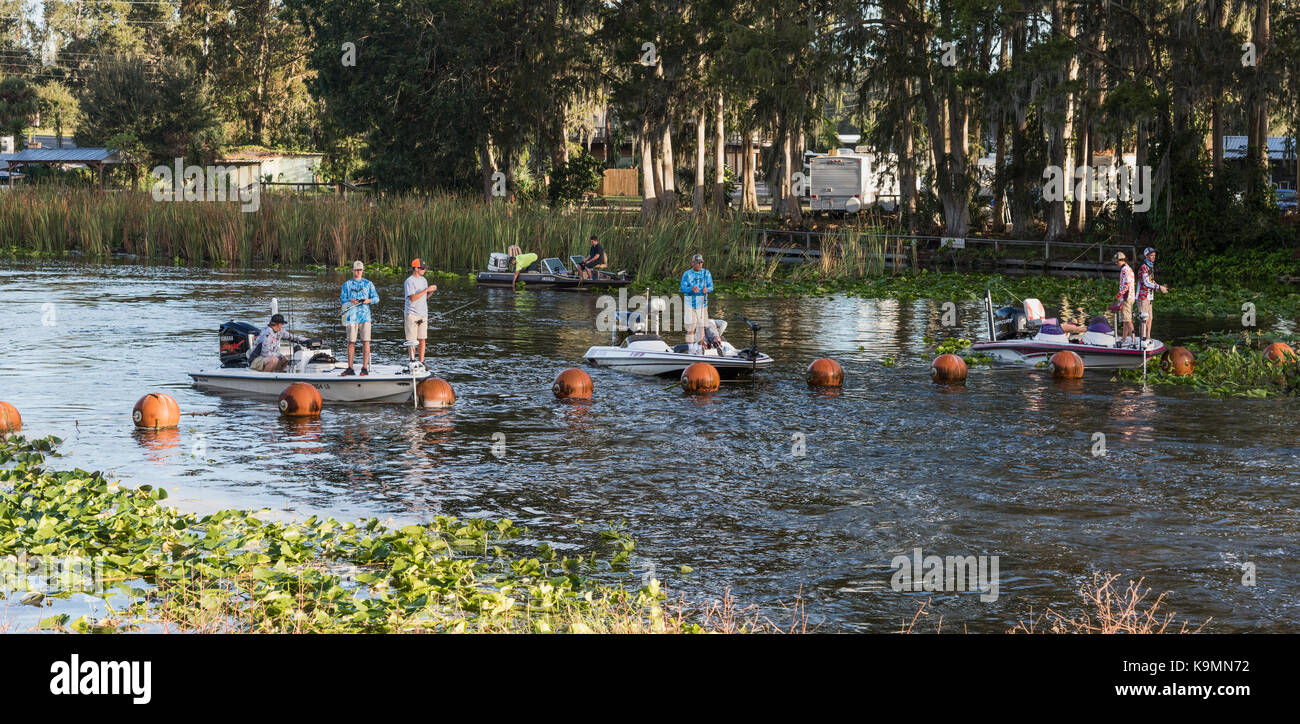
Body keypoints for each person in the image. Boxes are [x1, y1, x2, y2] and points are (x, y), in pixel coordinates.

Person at [339, 260, 379, 375]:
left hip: (365, 316)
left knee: (366, 342)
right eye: (356, 270)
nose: (358, 272)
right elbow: (342, 300)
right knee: (351, 342)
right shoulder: (346, 284)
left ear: (363, 271)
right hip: (351, 317)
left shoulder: (368, 283)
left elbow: (376, 298)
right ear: (352, 270)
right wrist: (350, 300)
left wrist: (368, 300)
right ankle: (350, 368)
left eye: (360, 270)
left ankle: (364, 368)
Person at [403, 258, 437, 366]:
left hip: (423, 314)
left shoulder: (424, 280)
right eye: (422, 268)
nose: (424, 270)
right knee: (412, 340)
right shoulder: (409, 281)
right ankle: (412, 361)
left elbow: (425, 297)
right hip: (411, 314)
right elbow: (412, 298)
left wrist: (430, 292)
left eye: (425, 268)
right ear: (416, 268)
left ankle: (421, 362)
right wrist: (426, 290)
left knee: (422, 339)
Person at [680, 253, 714, 347]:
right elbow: (682, 288)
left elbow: (711, 287)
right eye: (698, 262)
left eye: (701, 262)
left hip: (702, 304)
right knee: (691, 328)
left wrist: (708, 289)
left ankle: (699, 348)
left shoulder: (706, 273)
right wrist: (691, 288)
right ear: (692, 263)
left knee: (701, 328)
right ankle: (691, 349)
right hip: (690, 304)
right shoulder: (687, 274)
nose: (700, 264)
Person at [1136, 247, 1168, 341]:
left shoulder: (1150, 267)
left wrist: (1158, 287)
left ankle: (1148, 337)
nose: (1154, 257)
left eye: (1154, 255)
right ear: (1146, 256)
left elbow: (1151, 282)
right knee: (1144, 319)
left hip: (1149, 297)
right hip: (1142, 297)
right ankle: (1143, 339)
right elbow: (1146, 282)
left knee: (1150, 319)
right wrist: (1159, 287)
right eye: (1151, 255)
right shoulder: (1144, 267)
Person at [1113, 251, 1136, 347]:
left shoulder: (1125, 270)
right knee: (1125, 320)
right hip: (1129, 297)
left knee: (1128, 320)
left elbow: (1127, 284)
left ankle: (1134, 341)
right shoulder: (1128, 268)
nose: (1116, 263)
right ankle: (1124, 339)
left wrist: (1120, 294)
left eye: (1116, 261)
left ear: (1121, 260)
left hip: (1126, 298)